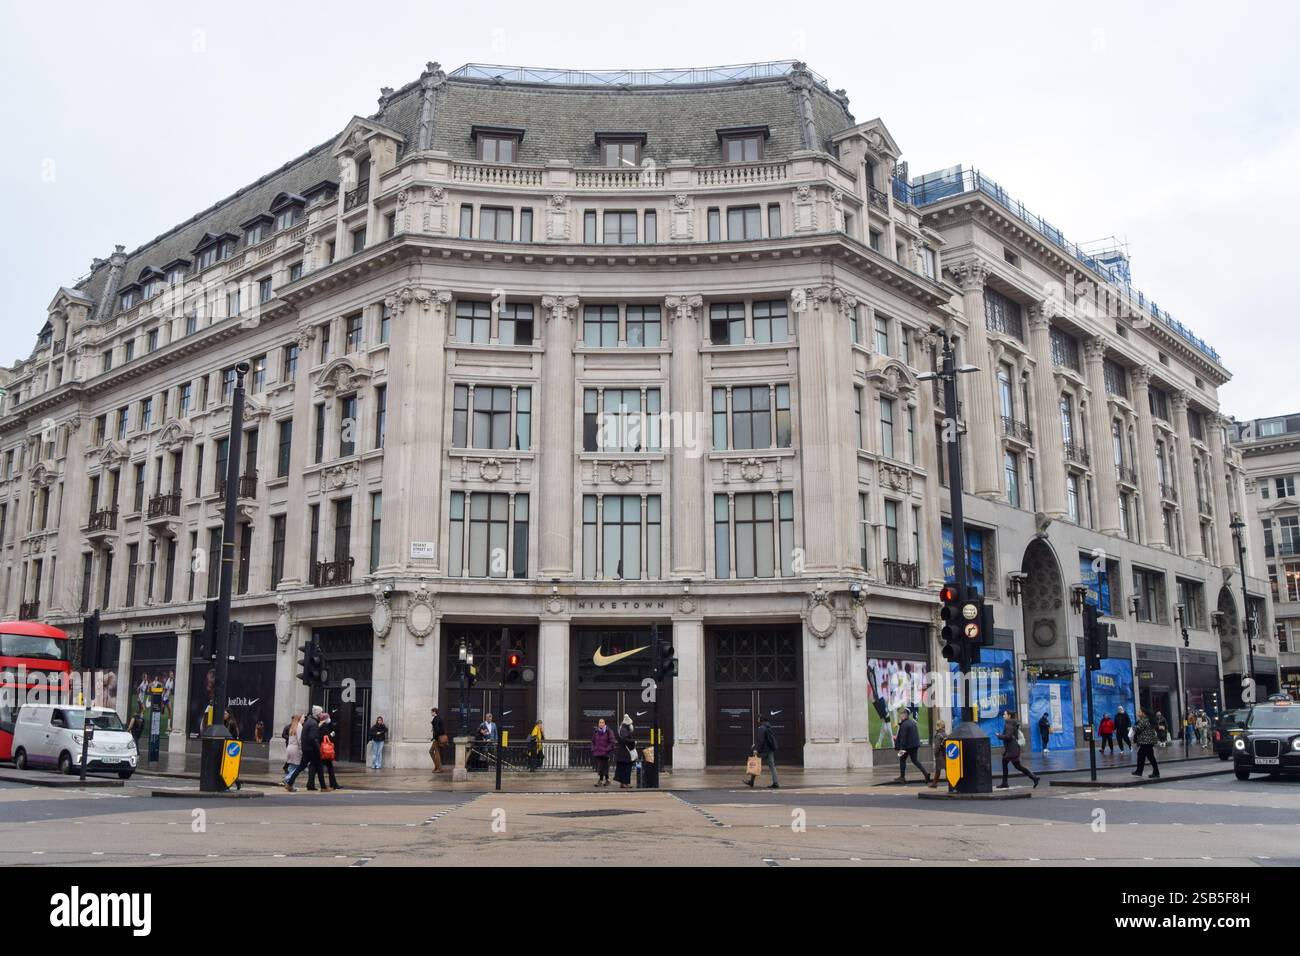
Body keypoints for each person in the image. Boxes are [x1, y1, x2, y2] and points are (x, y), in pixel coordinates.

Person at [997, 710, 1040, 789]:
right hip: (1013, 748)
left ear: (1009, 716)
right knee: (1017, 766)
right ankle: (1034, 777)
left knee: (1005, 762)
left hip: (1012, 749)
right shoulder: (1013, 723)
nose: (1003, 716)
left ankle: (1005, 782)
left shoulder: (1009, 723)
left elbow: (1008, 736)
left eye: (1005, 714)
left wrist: (999, 736)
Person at [286, 706, 326, 791]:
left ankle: (289, 783)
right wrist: (318, 749)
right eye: (321, 713)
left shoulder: (309, 722)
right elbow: (312, 738)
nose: (322, 714)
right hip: (312, 750)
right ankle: (323, 787)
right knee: (319, 767)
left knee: (302, 766)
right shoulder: (313, 723)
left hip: (306, 749)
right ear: (318, 714)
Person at [892, 709, 930, 785]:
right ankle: (925, 773)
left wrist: (901, 748)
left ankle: (902, 777)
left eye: (901, 715)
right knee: (915, 760)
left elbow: (903, 738)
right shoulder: (912, 723)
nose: (900, 716)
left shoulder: (904, 725)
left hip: (907, 747)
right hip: (914, 745)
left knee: (902, 760)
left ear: (905, 715)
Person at [744, 714, 780, 789]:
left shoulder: (762, 728)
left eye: (759, 718)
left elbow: (760, 740)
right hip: (770, 750)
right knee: (772, 767)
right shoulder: (768, 727)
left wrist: (756, 749)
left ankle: (751, 781)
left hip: (763, 750)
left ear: (761, 720)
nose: (758, 719)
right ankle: (775, 782)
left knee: (755, 764)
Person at [1132, 707, 1160, 778]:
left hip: (1146, 742)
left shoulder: (1144, 720)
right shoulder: (1148, 719)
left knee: (1150, 757)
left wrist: (1132, 728)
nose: (1138, 713)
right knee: (1142, 755)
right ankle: (1139, 771)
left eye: (1139, 712)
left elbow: (1138, 728)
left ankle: (1156, 772)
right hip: (1148, 741)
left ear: (1143, 713)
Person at [614, 715, 636, 790]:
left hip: (622, 753)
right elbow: (625, 740)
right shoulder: (624, 730)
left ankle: (623, 783)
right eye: (630, 724)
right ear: (628, 724)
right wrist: (633, 741)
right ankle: (625, 783)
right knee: (626, 768)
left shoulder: (623, 729)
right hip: (625, 753)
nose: (631, 725)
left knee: (623, 768)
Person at [319, 712, 340, 791]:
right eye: (328, 718)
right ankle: (331, 785)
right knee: (324, 768)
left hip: (324, 751)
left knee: (329, 768)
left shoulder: (323, 725)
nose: (329, 719)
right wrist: (331, 735)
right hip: (325, 751)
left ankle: (333, 784)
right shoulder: (323, 726)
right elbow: (324, 737)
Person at [591, 717, 615, 786]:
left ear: (605, 724)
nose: (601, 724)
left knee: (603, 766)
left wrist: (607, 749)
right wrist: (593, 748)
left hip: (605, 752)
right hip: (598, 751)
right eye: (600, 722)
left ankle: (601, 780)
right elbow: (593, 741)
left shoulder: (608, 731)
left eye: (602, 722)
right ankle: (606, 780)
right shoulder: (596, 731)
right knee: (601, 766)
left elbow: (612, 741)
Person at [282, 714, 303, 790]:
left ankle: (291, 785)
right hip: (295, 749)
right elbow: (299, 740)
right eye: (303, 717)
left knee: (291, 767)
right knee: (297, 767)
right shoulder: (299, 726)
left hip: (289, 748)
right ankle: (287, 779)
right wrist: (301, 750)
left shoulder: (292, 727)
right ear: (299, 719)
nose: (304, 719)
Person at [927, 719, 949, 789]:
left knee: (940, 769)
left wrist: (935, 754)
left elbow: (937, 746)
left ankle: (936, 783)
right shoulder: (945, 734)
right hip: (945, 754)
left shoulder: (938, 735)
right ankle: (935, 783)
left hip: (939, 755)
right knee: (941, 769)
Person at [429, 707, 446, 772]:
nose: (431, 713)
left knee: (437, 753)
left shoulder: (436, 719)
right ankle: (437, 766)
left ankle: (439, 768)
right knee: (431, 751)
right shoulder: (440, 718)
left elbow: (437, 730)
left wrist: (434, 738)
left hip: (437, 739)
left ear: (434, 712)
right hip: (438, 738)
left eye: (431, 712)